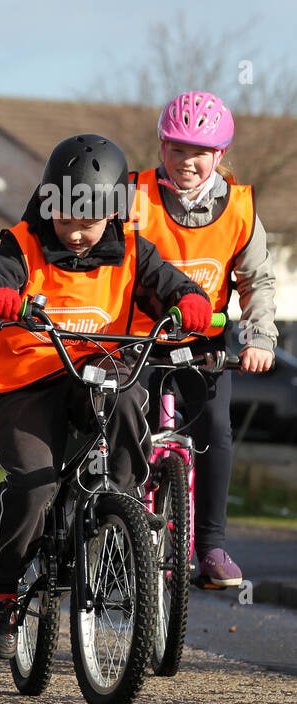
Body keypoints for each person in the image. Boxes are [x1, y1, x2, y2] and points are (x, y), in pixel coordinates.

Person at [0, 134, 211, 659]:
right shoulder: (23, 244)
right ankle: (2, 595)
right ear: (49, 201)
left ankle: (119, 496)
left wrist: (191, 300)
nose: (78, 232)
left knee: (124, 392)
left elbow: (172, 284)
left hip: (95, 371)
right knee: (34, 486)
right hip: (27, 382)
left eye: (92, 220)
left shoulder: (132, 252)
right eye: (68, 217)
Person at [128, 93, 277, 588]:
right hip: (137, 340)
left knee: (215, 426)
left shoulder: (239, 208)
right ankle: (115, 527)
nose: (186, 161)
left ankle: (211, 546)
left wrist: (258, 338)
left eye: (198, 152)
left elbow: (258, 280)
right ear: (161, 147)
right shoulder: (130, 196)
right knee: (119, 421)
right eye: (176, 149)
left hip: (204, 343)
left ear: (218, 156)